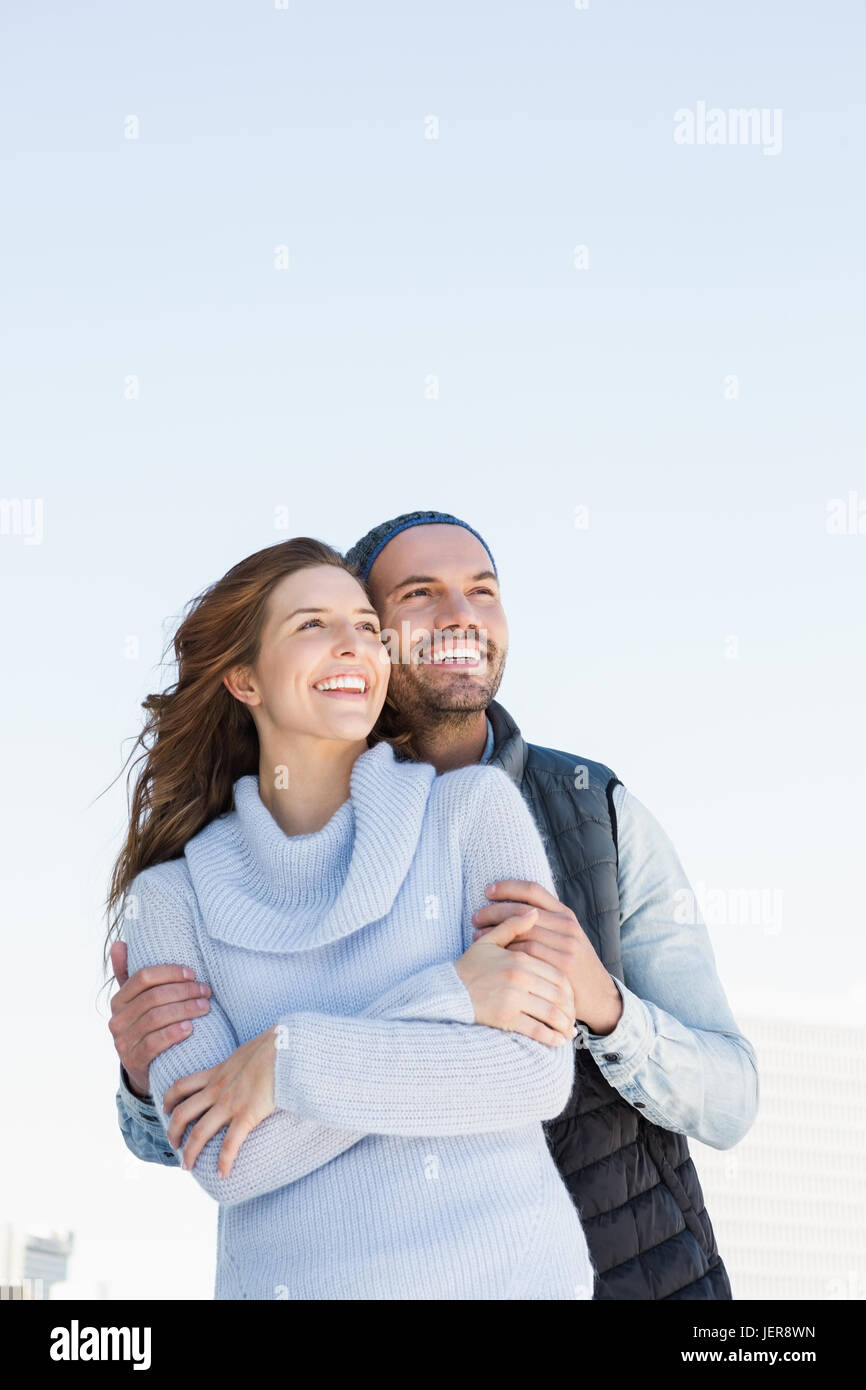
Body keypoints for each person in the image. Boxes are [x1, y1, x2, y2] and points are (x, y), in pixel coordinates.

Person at [111, 509, 759, 1300]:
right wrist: (448, 1000)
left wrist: (604, 1004)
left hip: (637, 1276)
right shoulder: (180, 890)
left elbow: (715, 1095)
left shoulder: (585, 811)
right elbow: (216, 1143)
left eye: (483, 590)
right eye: (418, 594)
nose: (460, 615)